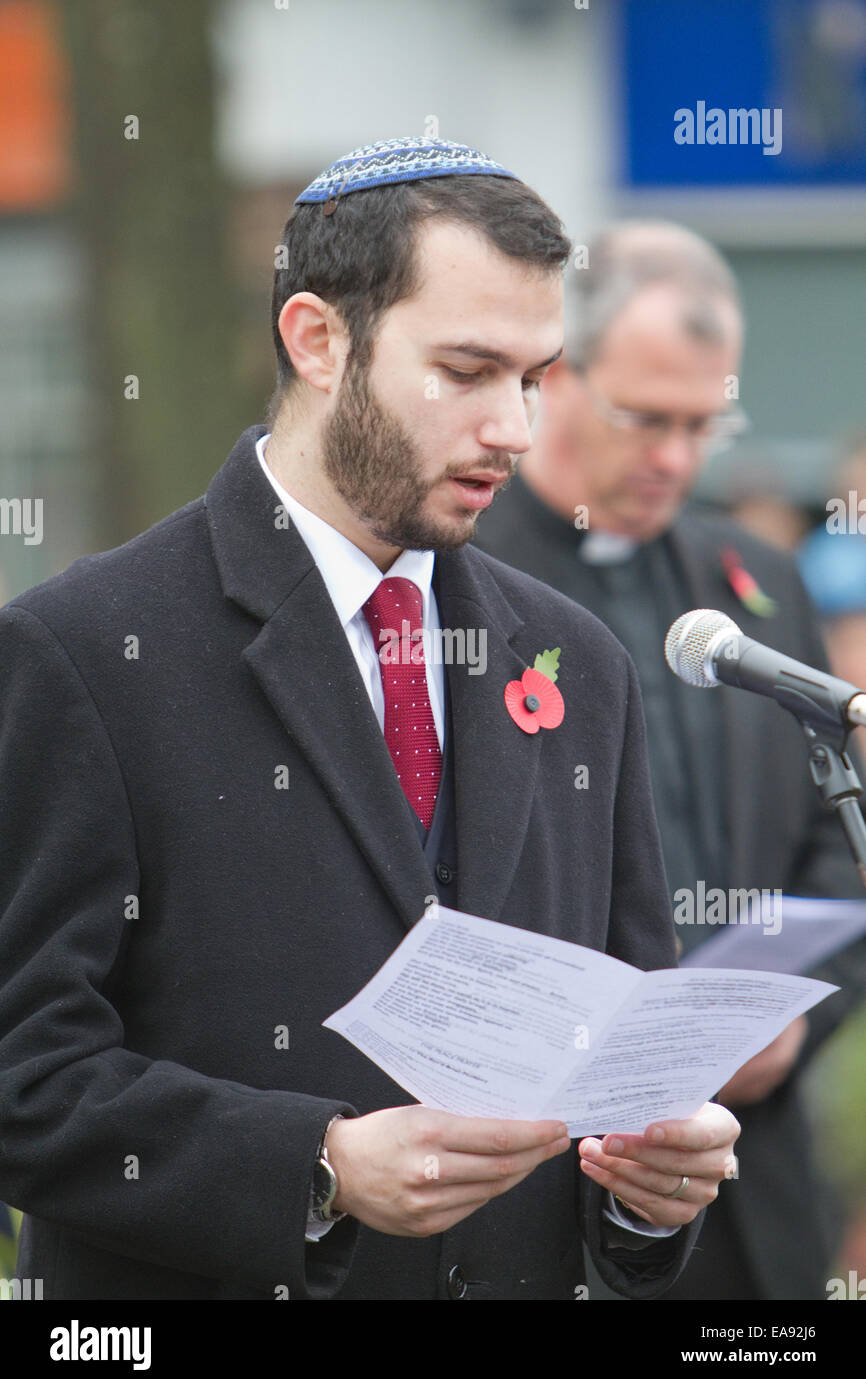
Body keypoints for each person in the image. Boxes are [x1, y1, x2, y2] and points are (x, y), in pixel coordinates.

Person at [0, 144, 738, 1301]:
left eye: (536, 377)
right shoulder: (85, 650)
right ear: (315, 339)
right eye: (468, 369)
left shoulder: (580, 665)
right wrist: (317, 1167)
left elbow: (622, 1065)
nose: (513, 427)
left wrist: (650, 1190)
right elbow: (22, 1074)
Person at [474, 219, 866, 1301]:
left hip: (757, 1184)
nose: (672, 459)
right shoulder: (459, 582)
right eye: (643, 416)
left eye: (703, 423)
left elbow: (828, 843)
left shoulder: (751, 579)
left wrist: (790, 1013)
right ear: (553, 377)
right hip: (554, 1179)